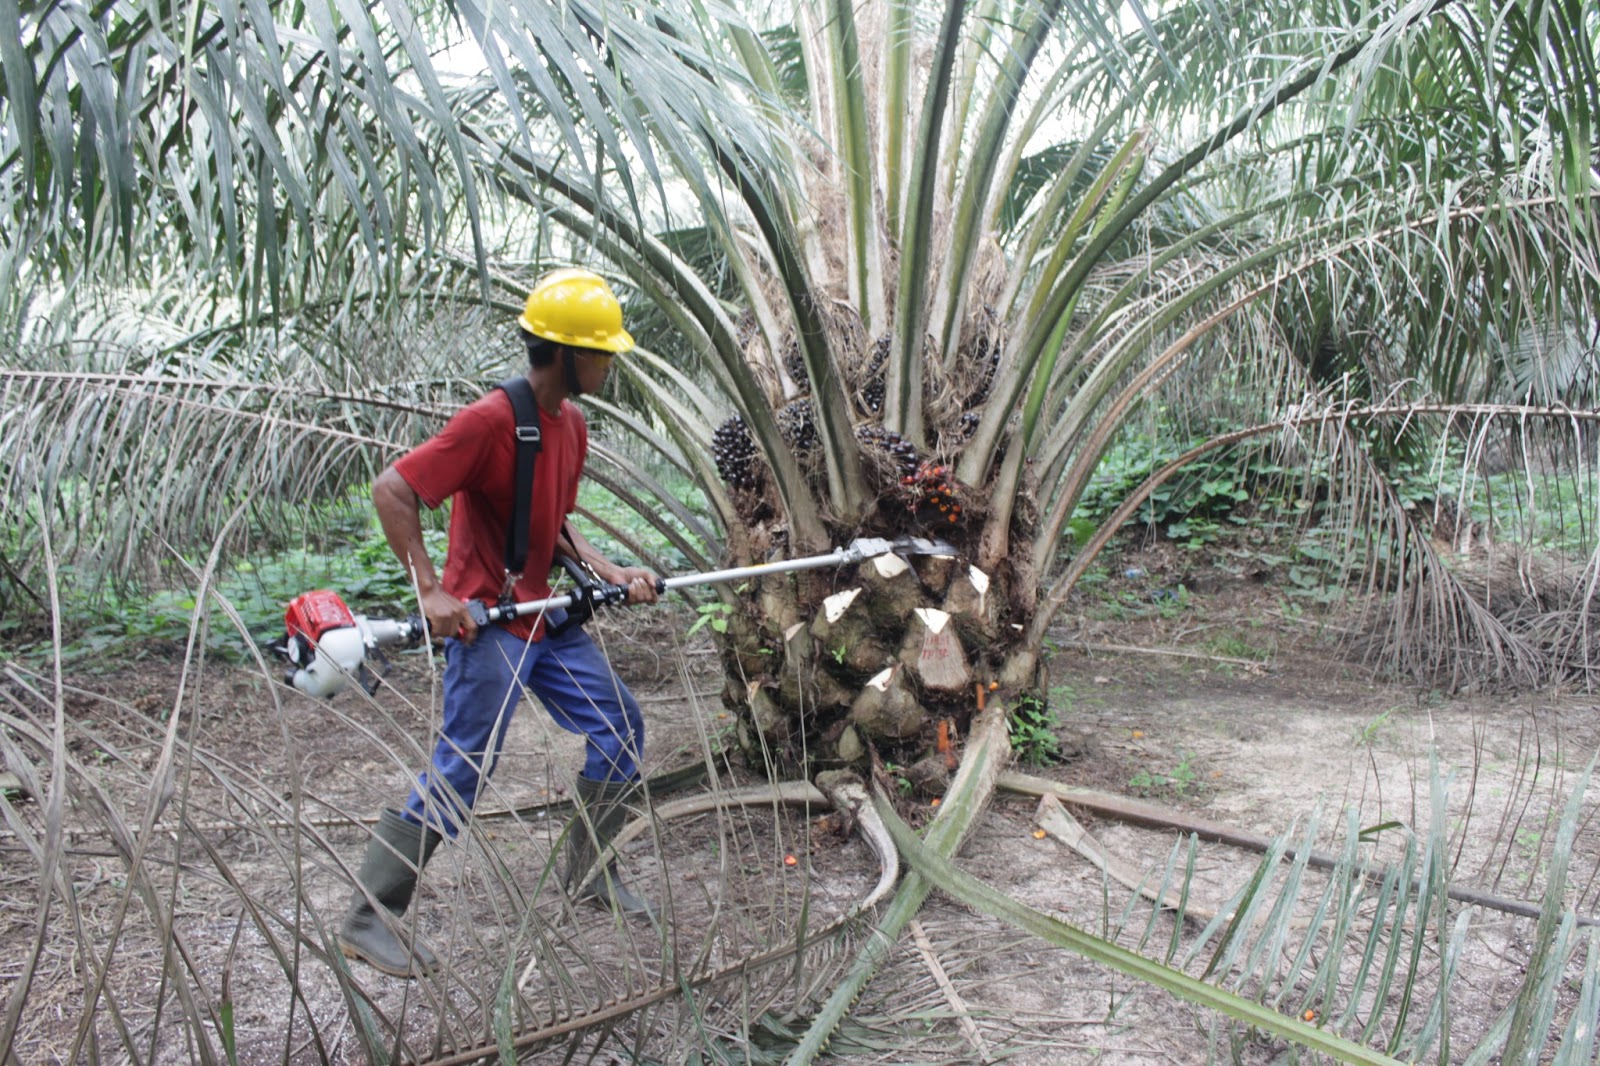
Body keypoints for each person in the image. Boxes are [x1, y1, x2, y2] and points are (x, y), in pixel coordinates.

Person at [338, 269, 661, 978]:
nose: (610, 364)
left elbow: (551, 521)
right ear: (564, 353)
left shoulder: (570, 424)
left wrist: (608, 570)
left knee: (621, 729)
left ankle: (591, 871)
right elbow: (394, 488)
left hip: (546, 618)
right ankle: (368, 914)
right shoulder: (489, 421)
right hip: (489, 623)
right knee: (462, 767)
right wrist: (430, 588)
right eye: (601, 352)